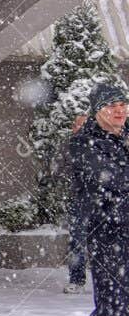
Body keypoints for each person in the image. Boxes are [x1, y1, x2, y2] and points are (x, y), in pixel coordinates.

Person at [67, 81, 129, 316]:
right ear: (97, 110)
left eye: (123, 103)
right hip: (110, 238)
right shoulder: (84, 145)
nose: (119, 110)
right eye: (111, 105)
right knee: (115, 310)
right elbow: (112, 182)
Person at [65, 108, 91, 293]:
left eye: (84, 124)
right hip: (78, 200)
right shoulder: (69, 146)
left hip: (101, 201)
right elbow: (59, 169)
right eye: (77, 124)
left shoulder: (101, 145)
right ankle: (76, 279)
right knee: (77, 240)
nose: (80, 127)